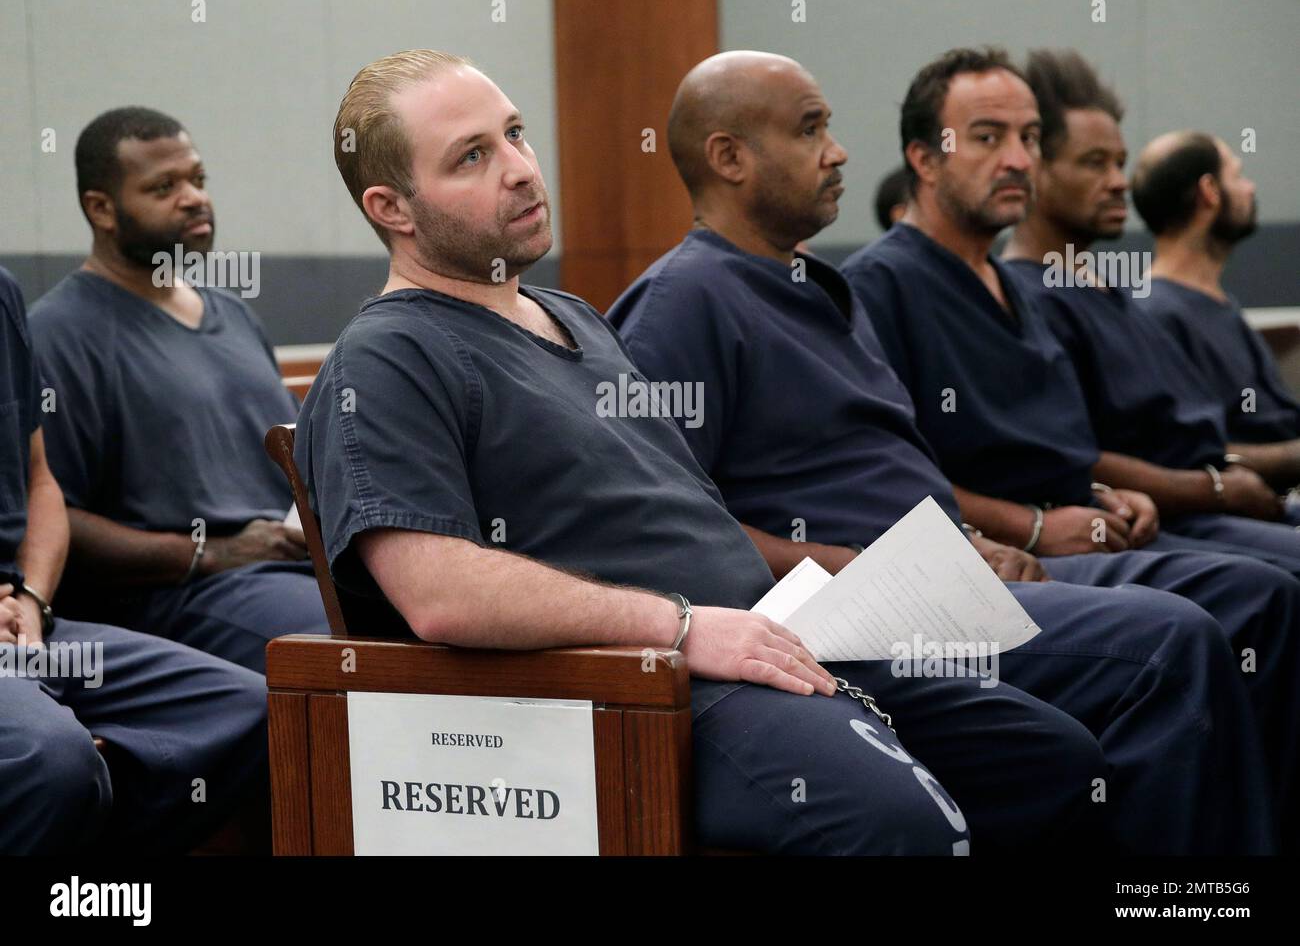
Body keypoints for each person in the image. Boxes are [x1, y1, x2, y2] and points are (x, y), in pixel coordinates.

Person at [293, 48, 1120, 856]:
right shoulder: (389, 355)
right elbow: (440, 593)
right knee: (901, 826)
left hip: (765, 636)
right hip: (641, 688)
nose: (517, 167)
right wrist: (683, 628)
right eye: (471, 156)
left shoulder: (572, 317)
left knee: (1054, 767)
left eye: (515, 134)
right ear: (392, 209)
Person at [608, 49, 1278, 854]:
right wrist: (858, 561)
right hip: (854, 612)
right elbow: (673, 533)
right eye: (811, 129)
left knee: (1247, 600)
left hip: (947, 574)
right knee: (1174, 646)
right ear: (729, 158)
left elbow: (897, 471)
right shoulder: (683, 303)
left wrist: (973, 538)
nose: (840, 150)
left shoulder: (818, 286)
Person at [842, 47, 1300, 849]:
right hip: (998, 558)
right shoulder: (879, 289)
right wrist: (1027, 523)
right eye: (987, 138)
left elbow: (1071, 448)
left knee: (1262, 593)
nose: (1018, 158)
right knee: (1248, 602)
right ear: (922, 158)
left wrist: (1111, 494)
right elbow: (901, 475)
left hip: (1093, 531)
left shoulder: (1017, 288)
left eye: (1028, 137)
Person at [28, 107, 328, 673]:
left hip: (293, 569)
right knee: (347, 644)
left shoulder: (235, 315)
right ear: (101, 209)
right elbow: (53, 515)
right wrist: (208, 553)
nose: (193, 198)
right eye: (164, 187)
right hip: (178, 597)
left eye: (197, 179)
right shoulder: (58, 334)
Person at [0, 263, 269, 854]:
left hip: (24, 621)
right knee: (54, 763)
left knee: (255, 711)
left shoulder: (3, 294)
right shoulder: (69, 323)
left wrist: (33, 599)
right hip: (161, 595)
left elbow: (42, 483)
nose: (192, 199)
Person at [1001, 48, 1300, 574]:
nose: (1119, 180)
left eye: (1119, 162)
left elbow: (1194, 435)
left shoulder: (1108, 289)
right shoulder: (1030, 297)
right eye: (1095, 163)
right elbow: (1079, 457)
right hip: (1164, 523)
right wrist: (1218, 489)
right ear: (1036, 170)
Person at [1130, 131, 1300, 491]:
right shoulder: (1155, 315)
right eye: (1238, 176)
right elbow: (1191, 451)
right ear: (1209, 191)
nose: (1251, 188)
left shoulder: (1215, 302)